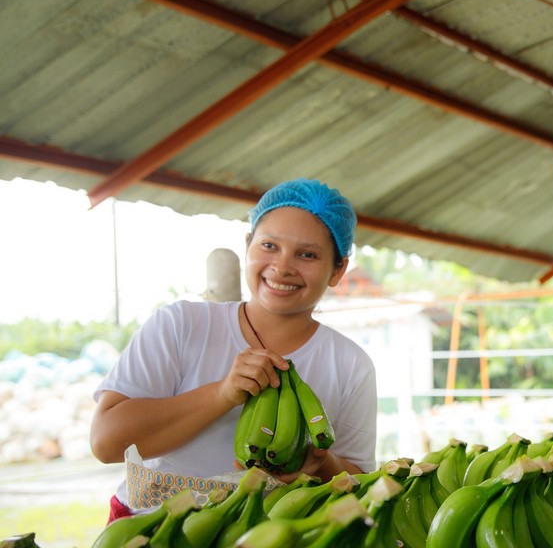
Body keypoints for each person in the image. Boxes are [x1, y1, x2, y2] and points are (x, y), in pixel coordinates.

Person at [91, 179, 378, 521]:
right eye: (269, 245)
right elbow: (105, 443)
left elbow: (360, 484)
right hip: (145, 530)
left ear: (338, 270)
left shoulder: (350, 364)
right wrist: (222, 394)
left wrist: (319, 466)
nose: (283, 266)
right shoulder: (181, 324)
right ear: (248, 245)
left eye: (307, 254)